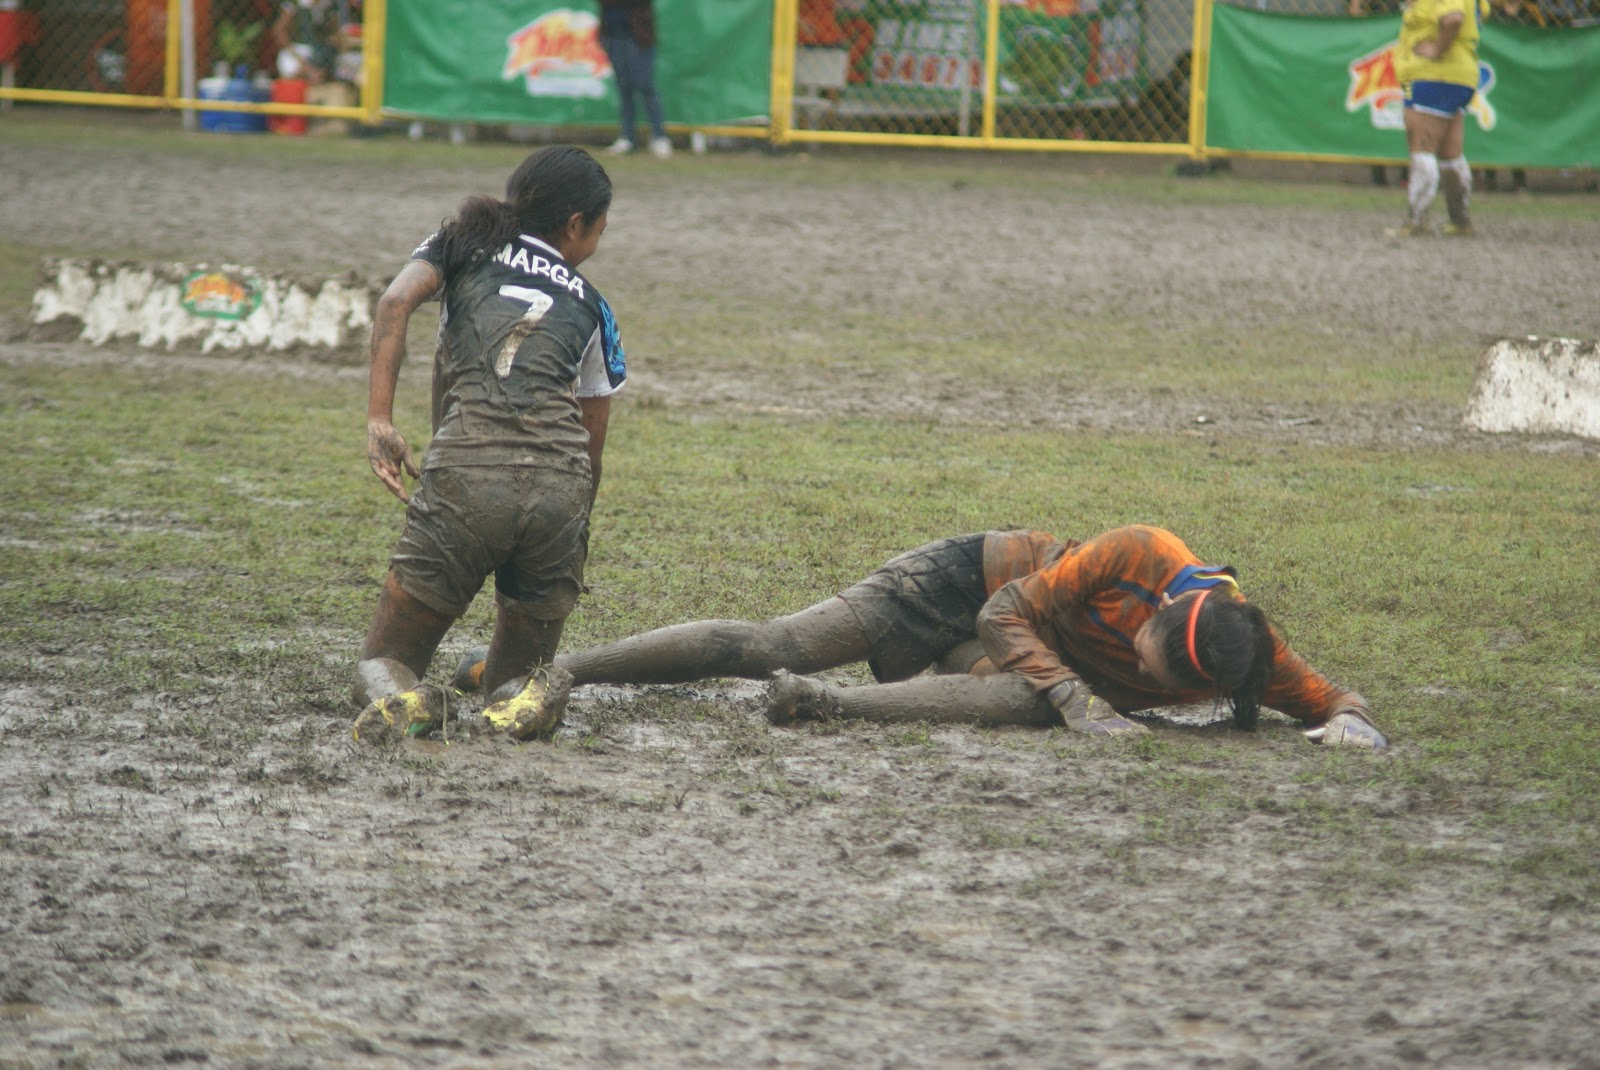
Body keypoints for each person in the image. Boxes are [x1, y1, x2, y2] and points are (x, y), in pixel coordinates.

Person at [454, 525, 1386, 747]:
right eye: (1144, 636)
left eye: (1153, 669)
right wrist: (1077, 693)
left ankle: (828, 707)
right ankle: (558, 668)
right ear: (1165, 606)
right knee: (778, 636)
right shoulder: (1140, 554)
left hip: (991, 661)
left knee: (1022, 698)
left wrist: (1348, 725)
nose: (1138, 647)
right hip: (964, 586)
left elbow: (1340, 705)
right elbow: (1001, 614)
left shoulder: (1245, 659)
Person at [352, 145, 626, 744]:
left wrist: (380, 420)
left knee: (382, 661)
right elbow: (593, 439)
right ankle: (521, 697)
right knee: (515, 681)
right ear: (574, 225)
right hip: (561, 489)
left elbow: (396, 301)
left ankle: (409, 699)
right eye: (599, 232)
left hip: (466, 478)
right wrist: (575, 526)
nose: (595, 247)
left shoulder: (463, 242)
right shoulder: (594, 306)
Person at [1389, 0, 1493, 236]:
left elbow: (1453, 18)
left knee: (1422, 146)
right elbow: (1480, 13)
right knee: (1450, 153)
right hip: (1460, 73)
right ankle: (1460, 221)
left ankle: (1417, 221)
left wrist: (1437, 49)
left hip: (1434, 73)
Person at [598, 0, 670, 159]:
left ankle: (659, 137)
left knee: (645, 86)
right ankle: (628, 137)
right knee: (624, 88)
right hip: (612, 33)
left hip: (638, 34)